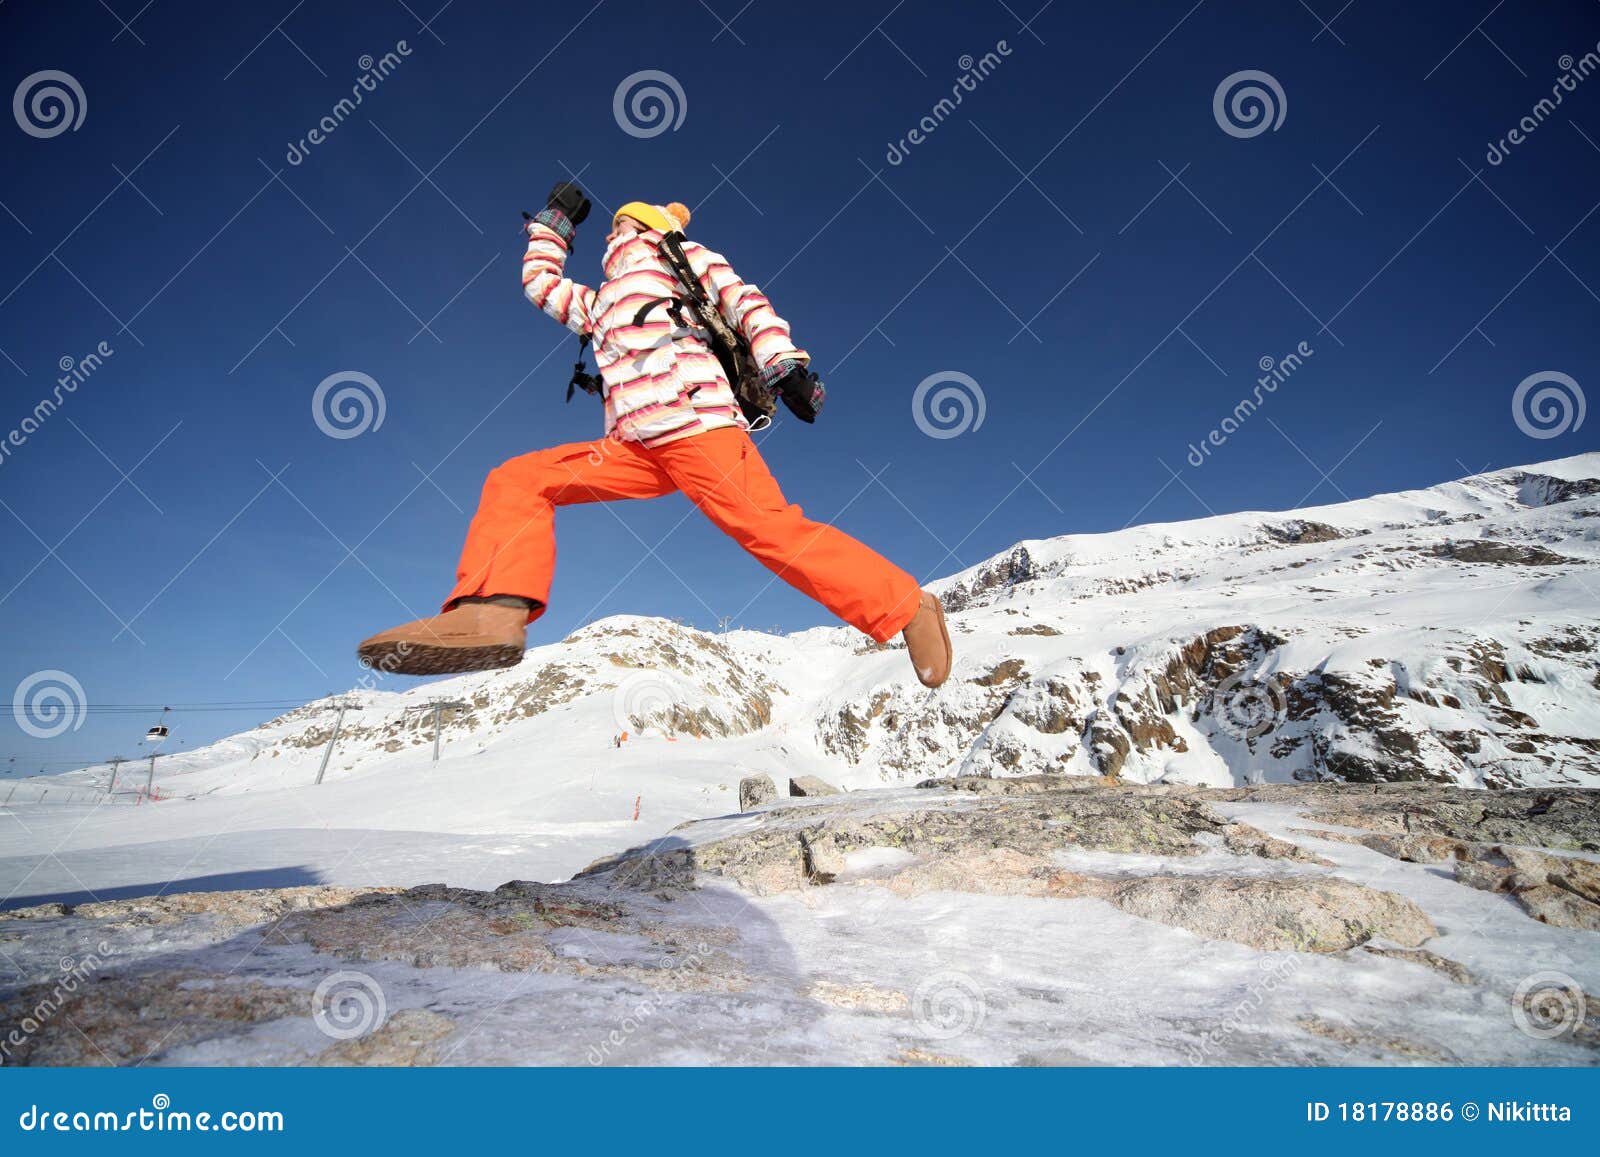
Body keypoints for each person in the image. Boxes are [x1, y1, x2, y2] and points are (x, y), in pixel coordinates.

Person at [357, 183, 952, 687]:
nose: (614, 230)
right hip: (632, 449)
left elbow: (746, 303)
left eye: (623, 224)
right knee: (520, 478)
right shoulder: (598, 303)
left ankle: (906, 606)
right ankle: (491, 612)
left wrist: (784, 364)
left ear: (645, 229)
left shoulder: (684, 259)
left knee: (769, 531)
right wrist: (553, 225)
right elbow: (540, 284)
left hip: (698, 426)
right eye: (612, 226)